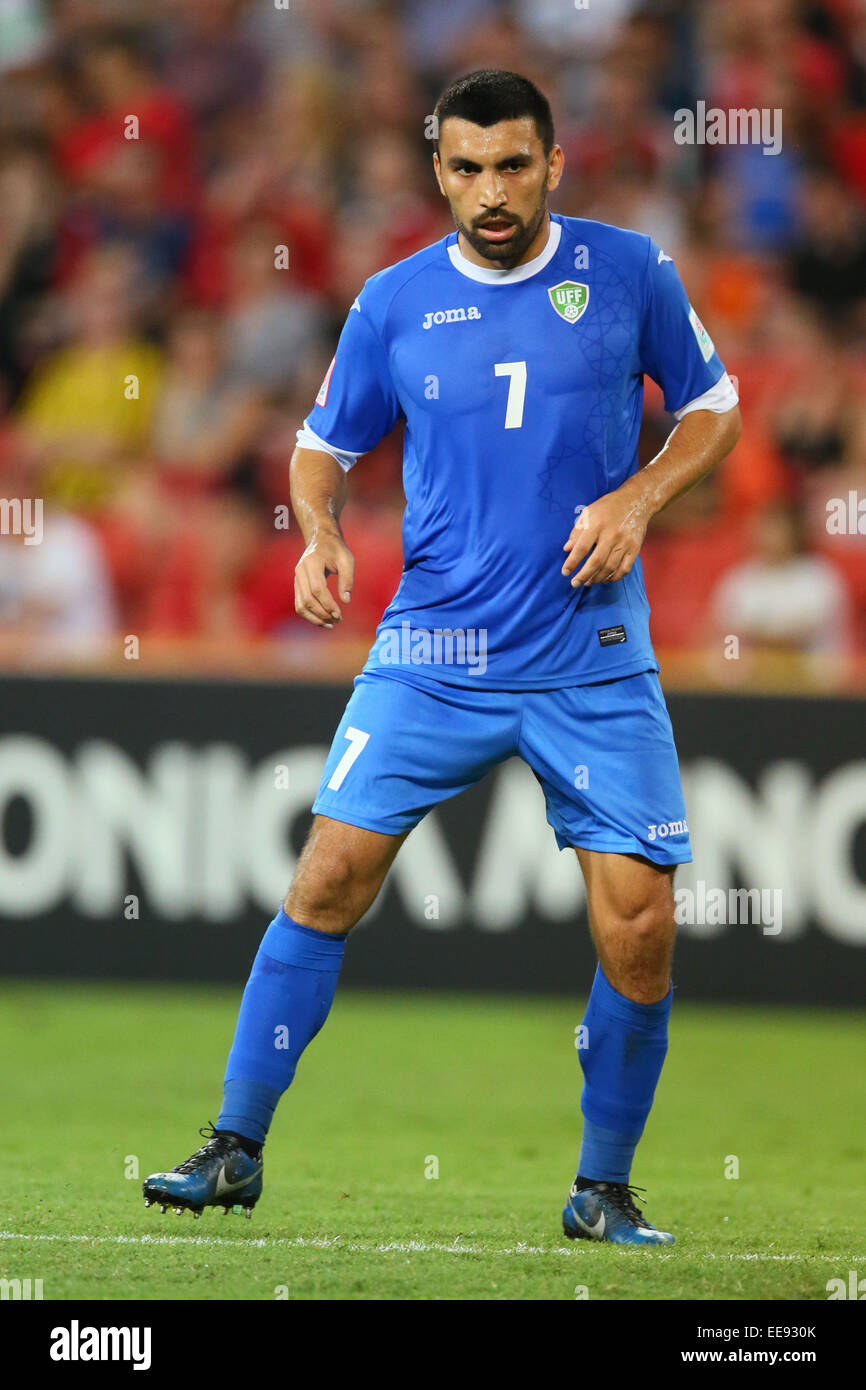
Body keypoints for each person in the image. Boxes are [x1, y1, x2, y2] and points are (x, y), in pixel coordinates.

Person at [144, 70, 741, 1244]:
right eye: (465, 168)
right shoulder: (392, 302)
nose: (490, 191)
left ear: (552, 164)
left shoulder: (628, 272)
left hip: (589, 651)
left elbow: (713, 406)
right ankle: (233, 1146)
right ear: (438, 172)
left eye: (512, 165)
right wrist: (317, 532)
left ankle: (602, 1188)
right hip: (432, 646)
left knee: (639, 925)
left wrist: (638, 493)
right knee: (324, 875)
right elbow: (322, 445)